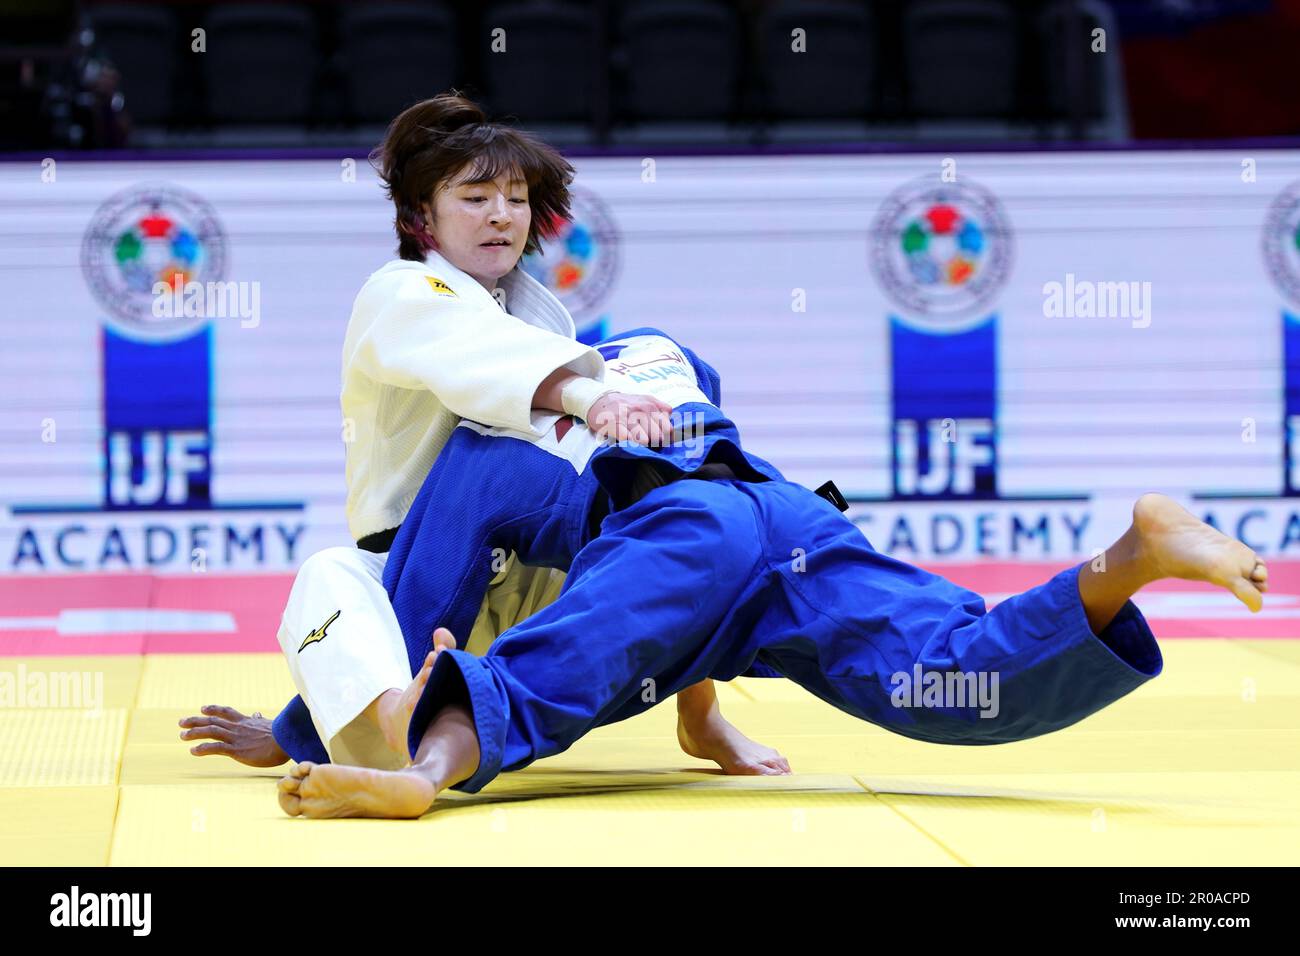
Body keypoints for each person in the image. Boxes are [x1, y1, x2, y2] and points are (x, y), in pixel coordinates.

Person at [268, 327, 1269, 818]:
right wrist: (702, 722)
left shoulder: (561, 417)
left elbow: (480, 500)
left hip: (685, 532)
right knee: (956, 674)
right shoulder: (678, 379)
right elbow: (682, 604)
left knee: (549, 668)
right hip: (794, 520)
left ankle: (420, 774)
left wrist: (324, 709)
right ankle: (1128, 556)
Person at [178, 93, 787, 777]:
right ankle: (362, 724)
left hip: (526, 581)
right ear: (421, 218)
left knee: (656, 490)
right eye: (474, 197)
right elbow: (479, 360)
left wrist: (628, 407)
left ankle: (700, 717)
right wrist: (594, 397)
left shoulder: (526, 310)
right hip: (409, 581)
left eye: (516, 198)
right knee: (328, 573)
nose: (501, 214)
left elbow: (525, 366)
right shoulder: (400, 293)